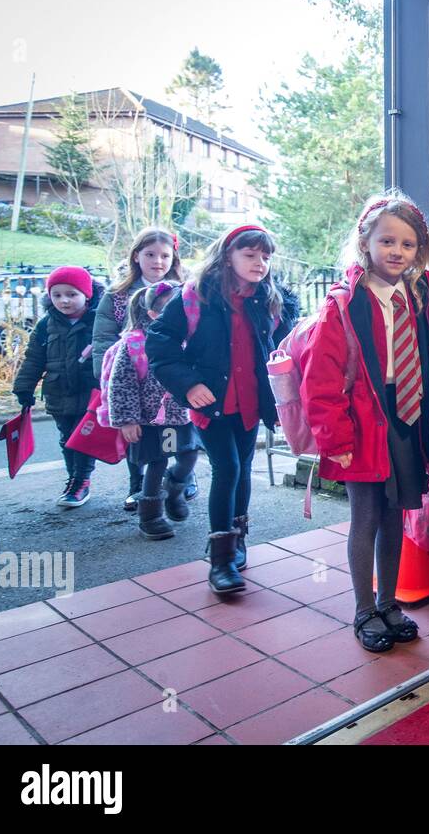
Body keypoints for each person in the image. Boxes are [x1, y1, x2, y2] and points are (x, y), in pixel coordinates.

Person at [302, 194, 429, 652]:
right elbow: (320, 382)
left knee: (396, 516)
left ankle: (389, 602)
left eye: (408, 244)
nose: (397, 252)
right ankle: (364, 609)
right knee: (365, 517)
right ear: (365, 243)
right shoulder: (344, 304)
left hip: (406, 419)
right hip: (363, 422)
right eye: (387, 240)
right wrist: (335, 440)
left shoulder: (420, 297)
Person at [147, 225, 298, 594]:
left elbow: (286, 348)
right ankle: (221, 559)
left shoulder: (270, 299)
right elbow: (159, 343)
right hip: (211, 403)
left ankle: (237, 538)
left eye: (265, 257)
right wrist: (189, 384)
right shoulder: (196, 297)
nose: (259, 263)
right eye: (250, 255)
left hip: (250, 404)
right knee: (227, 467)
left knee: (242, 468)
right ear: (227, 255)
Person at [92, 227, 190, 512]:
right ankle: (139, 487)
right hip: (134, 378)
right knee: (142, 444)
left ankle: (179, 484)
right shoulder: (118, 294)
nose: (157, 261)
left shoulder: (182, 292)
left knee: (179, 440)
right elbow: (102, 338)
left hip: (172, 386)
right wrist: (106, 380)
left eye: (164, 255)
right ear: (136, 256)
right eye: (150, 254)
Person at [102, 281, 202, 540]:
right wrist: (127, 419)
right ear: (154, 314)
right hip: (158, 421)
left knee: (189, 455)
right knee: (159, 461)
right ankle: (150, 515)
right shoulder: (135, 344)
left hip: (184, 415)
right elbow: (121, 383)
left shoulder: (190, 337)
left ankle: (174, 488)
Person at [13, 266, 103, 508]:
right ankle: (73, 478)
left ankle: (81, 482)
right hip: (58, 390)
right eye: (58, 295)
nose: (64, 300)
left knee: (82, 437)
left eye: (72, 294)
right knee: (66, 439)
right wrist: (24, 388)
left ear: (87, 294)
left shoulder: (99, 321)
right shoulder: (46, 325)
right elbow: (34, 358)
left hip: (89, 391)